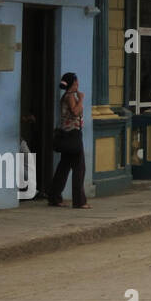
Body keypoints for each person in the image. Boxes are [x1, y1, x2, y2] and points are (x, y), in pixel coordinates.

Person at [48, 72, 90, 209]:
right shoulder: (70, 96)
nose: (78, 84)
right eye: (77, 82)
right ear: (73, 83)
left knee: (64, 167)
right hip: (73, 136)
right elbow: (75, 112)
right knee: (79, 168)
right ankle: (79, 201)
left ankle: (54, 197)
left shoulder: (66, 96)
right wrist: (81, 99)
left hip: (67, 136)